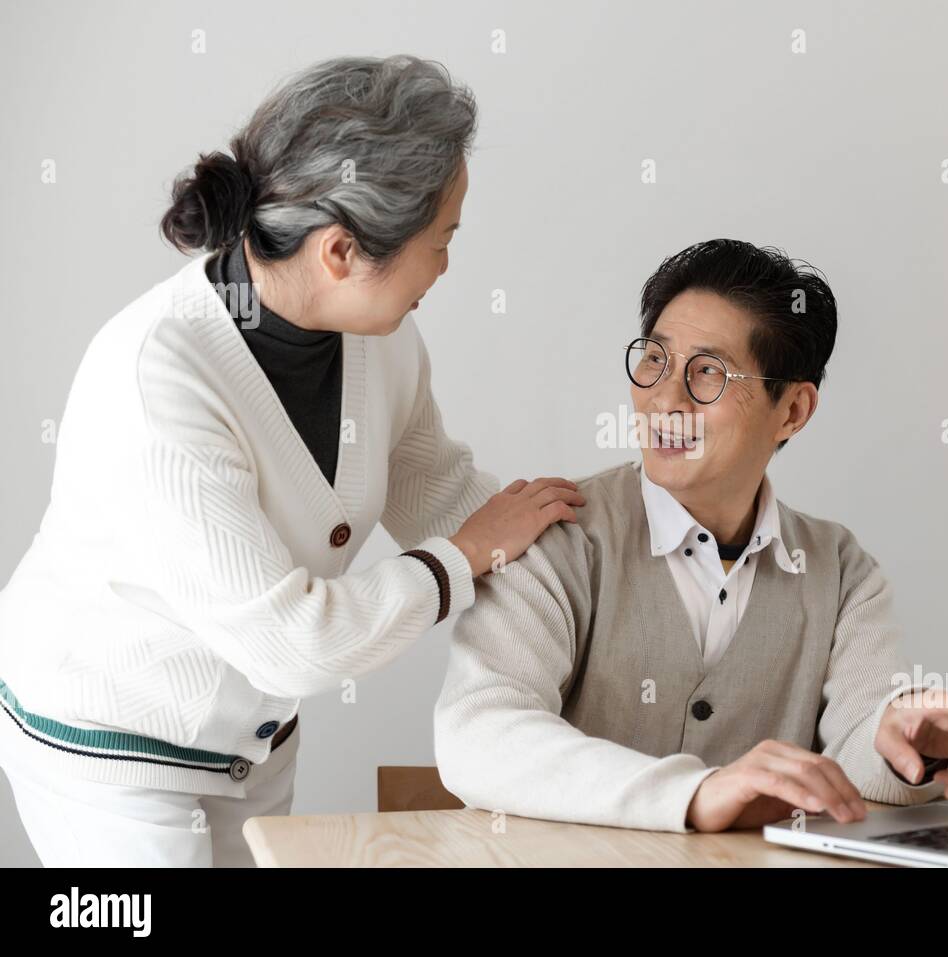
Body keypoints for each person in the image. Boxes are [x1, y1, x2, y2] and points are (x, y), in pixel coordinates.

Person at [0, 54, 583, 866]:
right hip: (111, 755)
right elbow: (294, 644)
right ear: (341, 251)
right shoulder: (160, 380)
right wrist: (468, 557)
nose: (448, 267)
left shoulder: (382, 337)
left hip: (254, 748)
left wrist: (581, 558)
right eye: (442, 239)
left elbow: (437, 486)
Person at [435, 238, 948, 832]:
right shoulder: (555, 534)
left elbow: (864, 742)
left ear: (792, 411)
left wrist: (910, 743)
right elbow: (479, 733)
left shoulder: (839, 567)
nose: (665, 399)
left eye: (708, 371)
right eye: (655, 358)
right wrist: (695, 794)